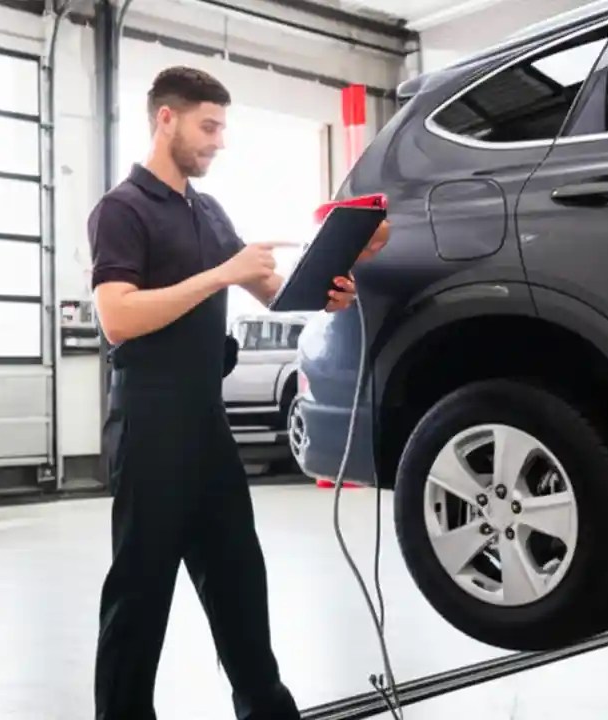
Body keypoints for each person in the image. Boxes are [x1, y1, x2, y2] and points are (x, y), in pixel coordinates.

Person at [88, 66, 389, 719]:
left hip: (204, 421)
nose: (219, 141)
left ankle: (266, 709)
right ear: (166, 119)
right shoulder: (122, 209)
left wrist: (340, 271)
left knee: (237, 579)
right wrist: (222, 271)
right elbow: (118, 317)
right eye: (209, 126)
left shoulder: (208, 211)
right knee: (141, 593)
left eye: (223, 128)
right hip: (149, 420)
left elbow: (276, 293)